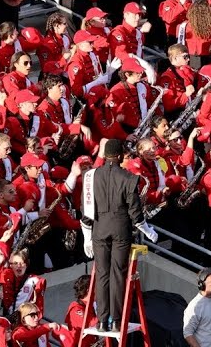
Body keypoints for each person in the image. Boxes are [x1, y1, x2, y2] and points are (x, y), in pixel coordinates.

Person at [82, 139, 148, 333]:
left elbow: (84, 209)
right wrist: (147, 229)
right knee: (118, 273)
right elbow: (135, 213)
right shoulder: (129, 178)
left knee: (102, 273)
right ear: (119, 156)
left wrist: (87, 235)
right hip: (121, 230)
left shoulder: (90, 176)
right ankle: (116, 321)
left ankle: (102, 321)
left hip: (99, 229)